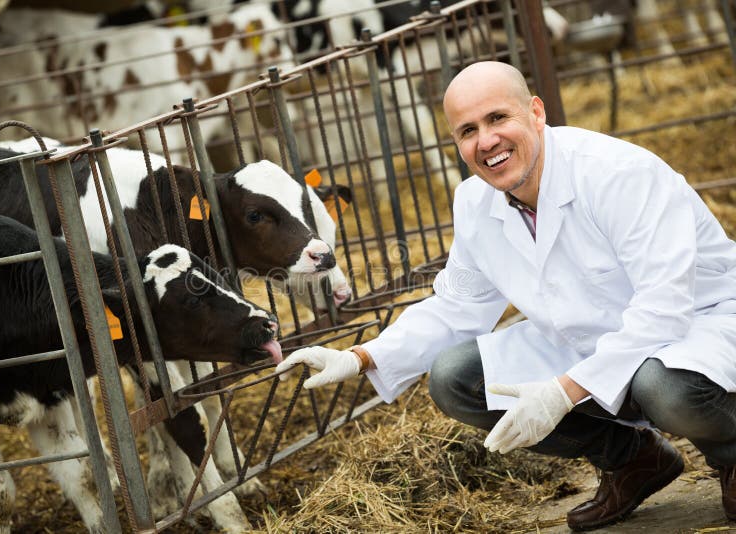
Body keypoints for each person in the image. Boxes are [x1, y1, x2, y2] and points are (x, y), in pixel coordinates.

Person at [275, 61, 736, 531]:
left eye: (498, 118)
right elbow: (457, 306)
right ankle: (634, 460)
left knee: (664, 387)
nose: (486, 142)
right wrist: (358, 357)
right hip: (588, 338)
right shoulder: (475, 201)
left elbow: (663, 310)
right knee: (455, 377)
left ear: (536, 112)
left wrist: (561, 392)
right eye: (467, 131)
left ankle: (731, 454)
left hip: (699, 325)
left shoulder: (616, 173)